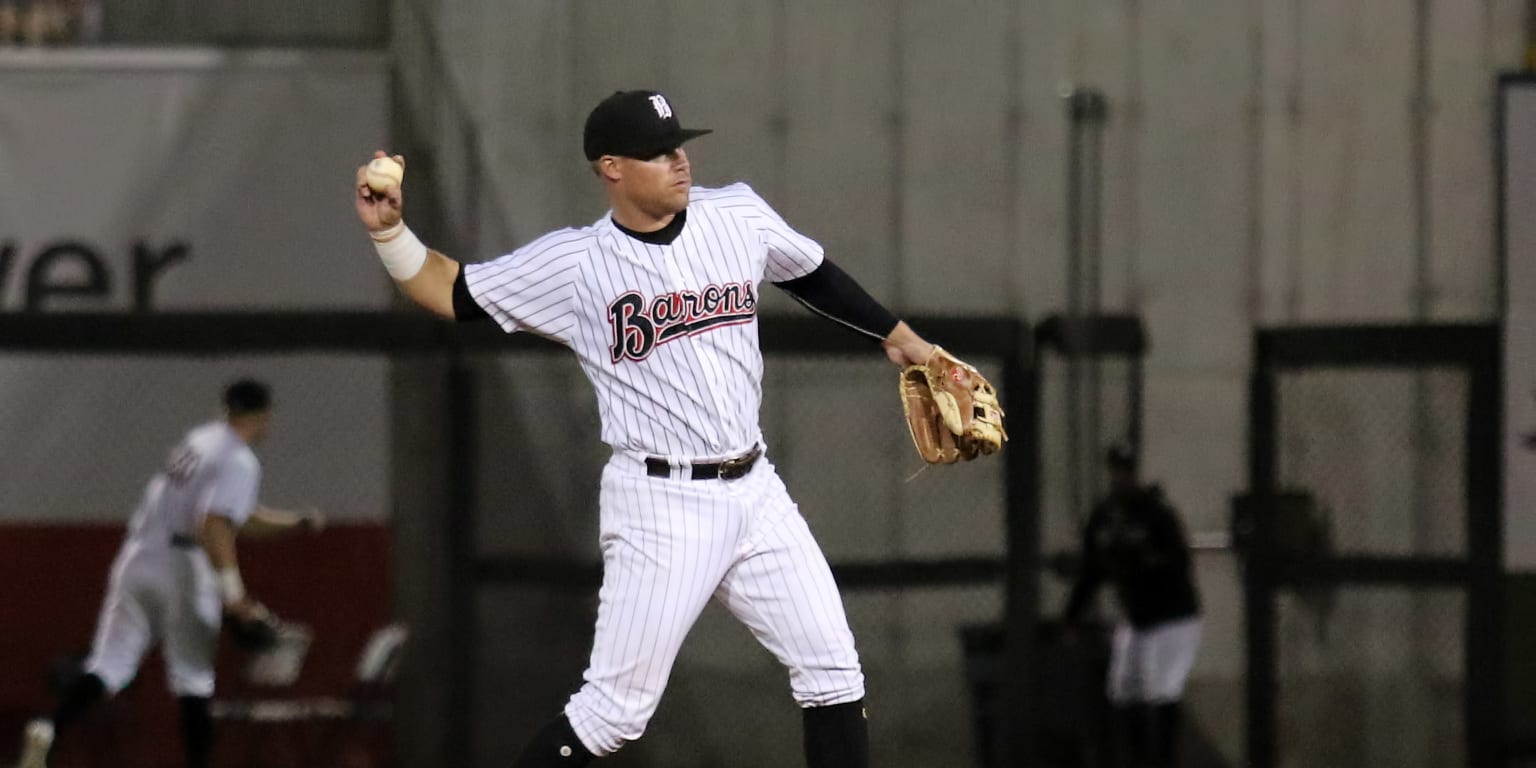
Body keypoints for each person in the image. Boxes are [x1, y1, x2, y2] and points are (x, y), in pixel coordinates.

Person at [353, 89, 954, 767]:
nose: (678, 161)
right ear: (610, 168)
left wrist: (902, 340)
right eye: (657, 152)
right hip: (661, 504)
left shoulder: (737, 215)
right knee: (611, 716)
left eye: (679, 145)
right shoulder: (576, 266)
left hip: (756, 490)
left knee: (835, 674)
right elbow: (448, 291)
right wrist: (388, 233)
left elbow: (811, 274)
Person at [11, 379, 324, 768]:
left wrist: (293, 523)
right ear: (262, 415)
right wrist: (235, 596)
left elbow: (233, 515)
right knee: (193, 679)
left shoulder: (200, 440)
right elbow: (214, 525)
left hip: (140, 555)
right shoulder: (240, 460)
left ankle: (48, 730)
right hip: (185, 566)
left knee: (109, 665)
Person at [1061, 443, 1201, 768]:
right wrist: (1071, 615)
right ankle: (1141, 759)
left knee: (1163, 694)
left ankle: (1163, 759)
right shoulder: (1105, 518)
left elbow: (1178, 563)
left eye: (1125, 471)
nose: (1119, 478)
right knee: (1127, 694)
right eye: (1115, 471)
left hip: (1171, 616)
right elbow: (1092, 570)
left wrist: (1144, 561)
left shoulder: (1155, 514)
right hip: (1139, 618)